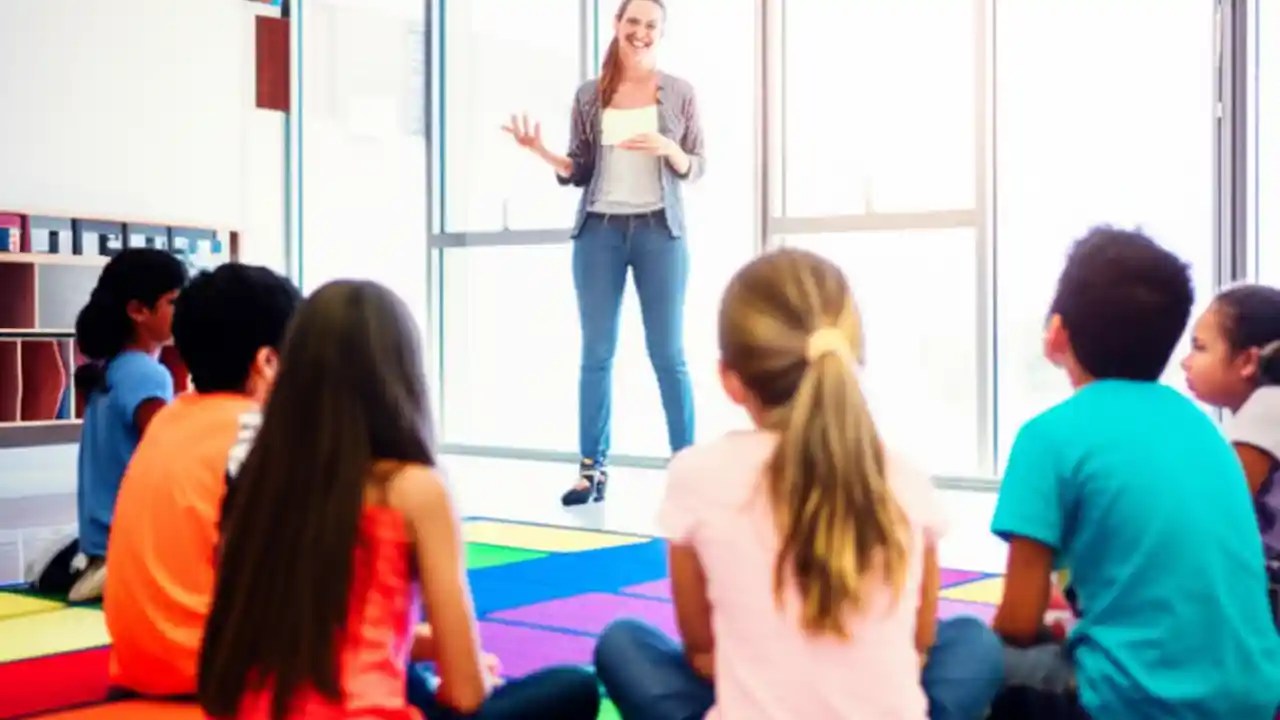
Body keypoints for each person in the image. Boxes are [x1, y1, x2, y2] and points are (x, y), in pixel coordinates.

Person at [593, 249, 1004, 720]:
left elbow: (703, 654)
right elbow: (919, 645)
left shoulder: (697, 475)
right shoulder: (905, 478)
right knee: (972, 639)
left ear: (730, 379)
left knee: (623, 642)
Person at [197, 280, 600, 720]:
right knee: (573, 687)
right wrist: (470, 673)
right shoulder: (414, 489)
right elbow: (465, 693)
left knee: (409, 678)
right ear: (401, 374)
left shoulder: (259, 477)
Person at [989, 227, 1280, 719]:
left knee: (965, 659)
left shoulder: (1047, 435)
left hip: (1133, 701)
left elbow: (1018, 621)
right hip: (1254, 695)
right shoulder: (1202, 429)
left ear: (1057, 332)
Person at [502, 0, 704, 506]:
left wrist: (669, 149)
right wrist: (543, 153)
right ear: (616, 25)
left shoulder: (679, 92)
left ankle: (688, 469)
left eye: (650, 25)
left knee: (669, 355)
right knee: (596, 354)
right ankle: (591, 472)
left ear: (661, 33)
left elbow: (698, 164)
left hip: (661, 231)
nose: (640, 32)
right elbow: (581, 169)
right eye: (632, 21)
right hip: (600, 233)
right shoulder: (590, 95)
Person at [102, 263, 301, 698]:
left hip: (138, 670)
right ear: (268, 361)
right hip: (219, 676)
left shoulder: (172, 418)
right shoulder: (256, 433)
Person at [57, 248, 189, 602]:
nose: (184, 311)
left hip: (99, 541)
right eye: (174, 301)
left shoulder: (114, 367)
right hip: (128, 542)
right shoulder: (145, 373)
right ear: (137, 311)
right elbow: (174, 455)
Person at [1182, 283, 1280, 625]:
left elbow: (1219, 508)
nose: (1185, 362)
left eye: (1199, 347)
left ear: (1248, 361)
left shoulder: (1267, 408)